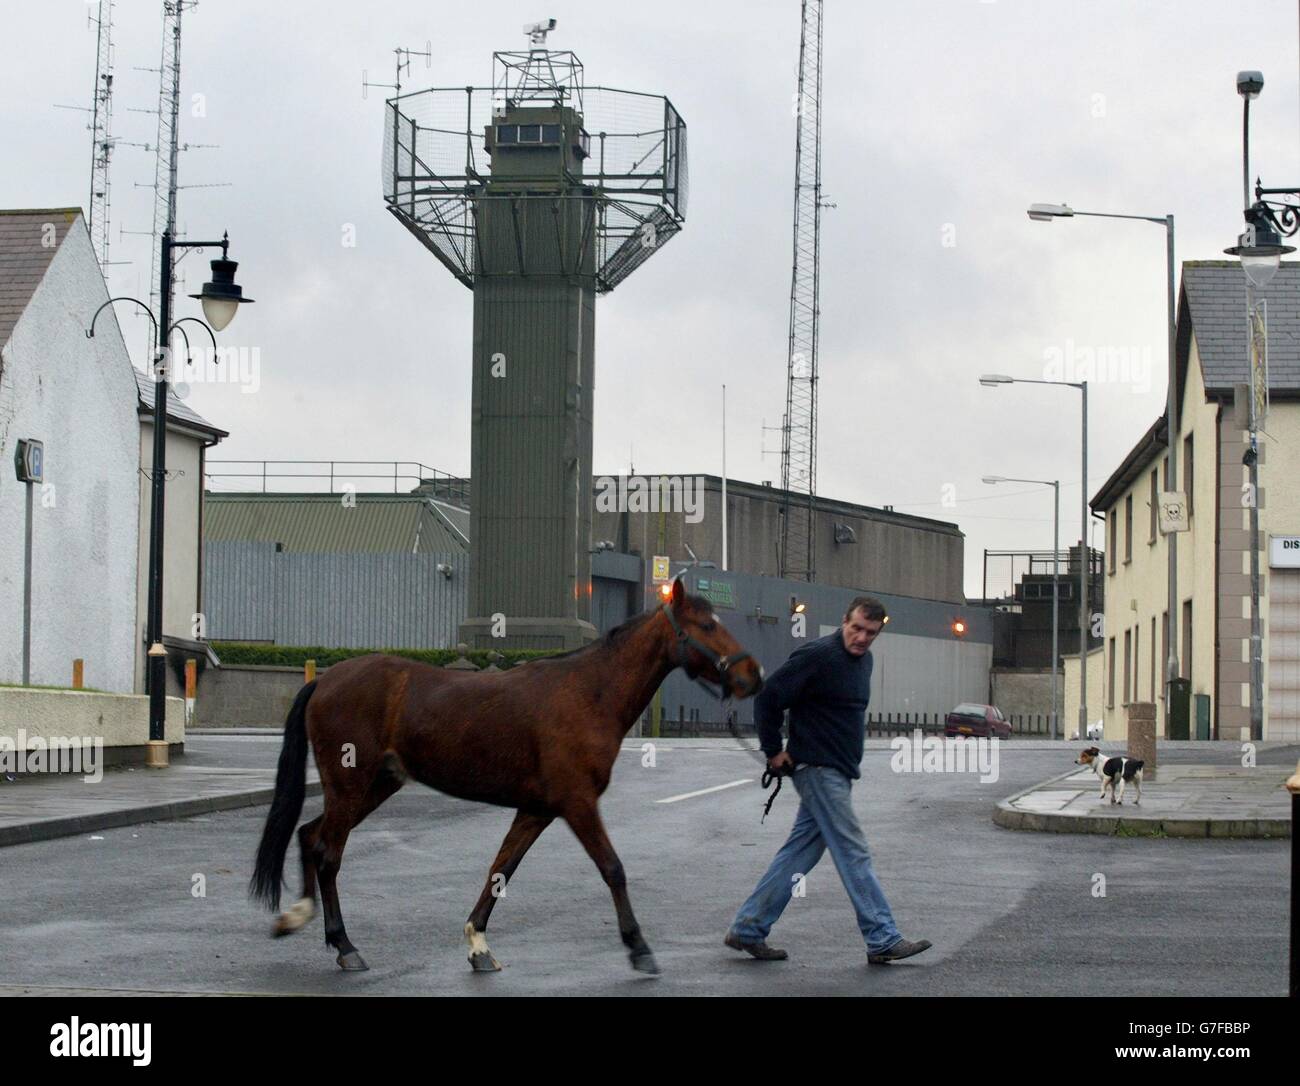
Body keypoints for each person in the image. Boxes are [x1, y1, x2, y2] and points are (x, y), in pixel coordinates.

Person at [725, 596, 931, 965]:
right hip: (817, 770)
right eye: (856, 628)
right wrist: (773, 750)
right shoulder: (818, 655)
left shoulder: (863, 661)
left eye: (870, 632)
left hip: (838, 771)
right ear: (843, 621)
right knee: (853, 851)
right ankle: (882, 936)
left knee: (799, 853)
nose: (862, 637)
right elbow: (768, 698)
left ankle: (748, 927)